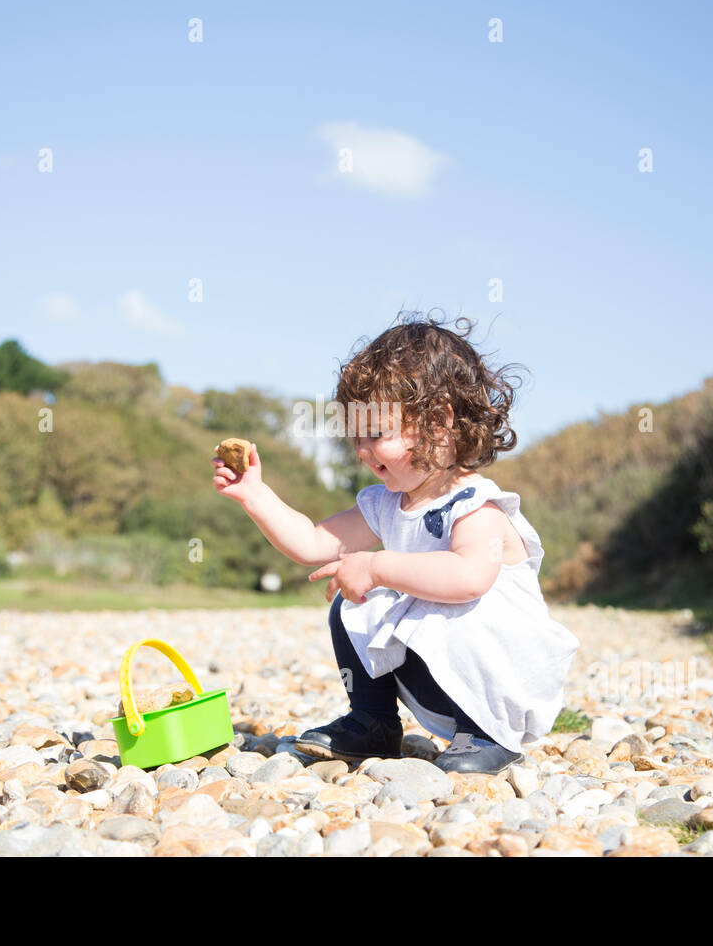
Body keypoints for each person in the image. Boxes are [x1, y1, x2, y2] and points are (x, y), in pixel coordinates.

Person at [211, 312, 580, 773]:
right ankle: (373, 721)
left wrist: (378, 566)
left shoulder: (477, 505)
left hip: (498, 685)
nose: (362, 451)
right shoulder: (387, 504)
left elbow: (469, 578)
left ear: (440, 422)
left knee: (393, 585)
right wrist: (255, 496)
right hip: (438, 677)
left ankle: (487, 737)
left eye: (376, 434)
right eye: (355, 437)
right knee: (351, 602)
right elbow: (311, 542)